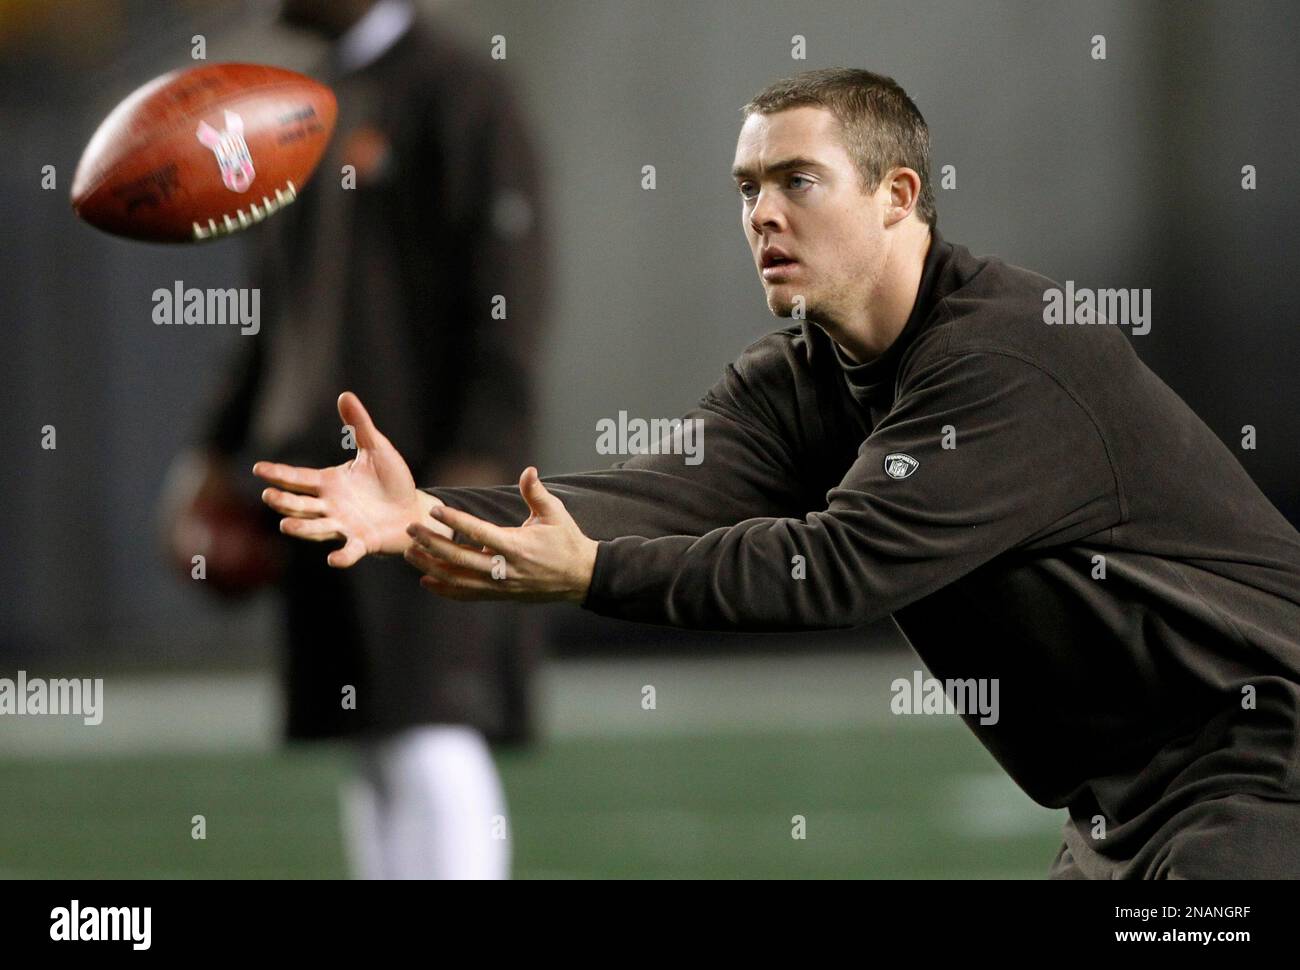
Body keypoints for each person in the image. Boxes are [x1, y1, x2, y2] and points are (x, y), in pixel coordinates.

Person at [253, 68, 1300, 879]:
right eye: (747, 187)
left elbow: (833, 566)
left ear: (898, 196)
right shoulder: (802, 375)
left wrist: (590, 577)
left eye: (796, 181)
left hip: (1263, 765)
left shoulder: (1003, 359)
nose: (761, 212)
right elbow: (663, 495)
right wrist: (423, 511)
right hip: (1126, 801)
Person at [165, 0, 548, 879]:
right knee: (370, 732)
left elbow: (512, 294)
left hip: (420, 478)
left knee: (431, 722)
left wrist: (475, 469)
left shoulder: (461, 93)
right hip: (319, 481)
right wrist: (208, 460)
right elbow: (269, 320)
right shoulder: (293, 109)